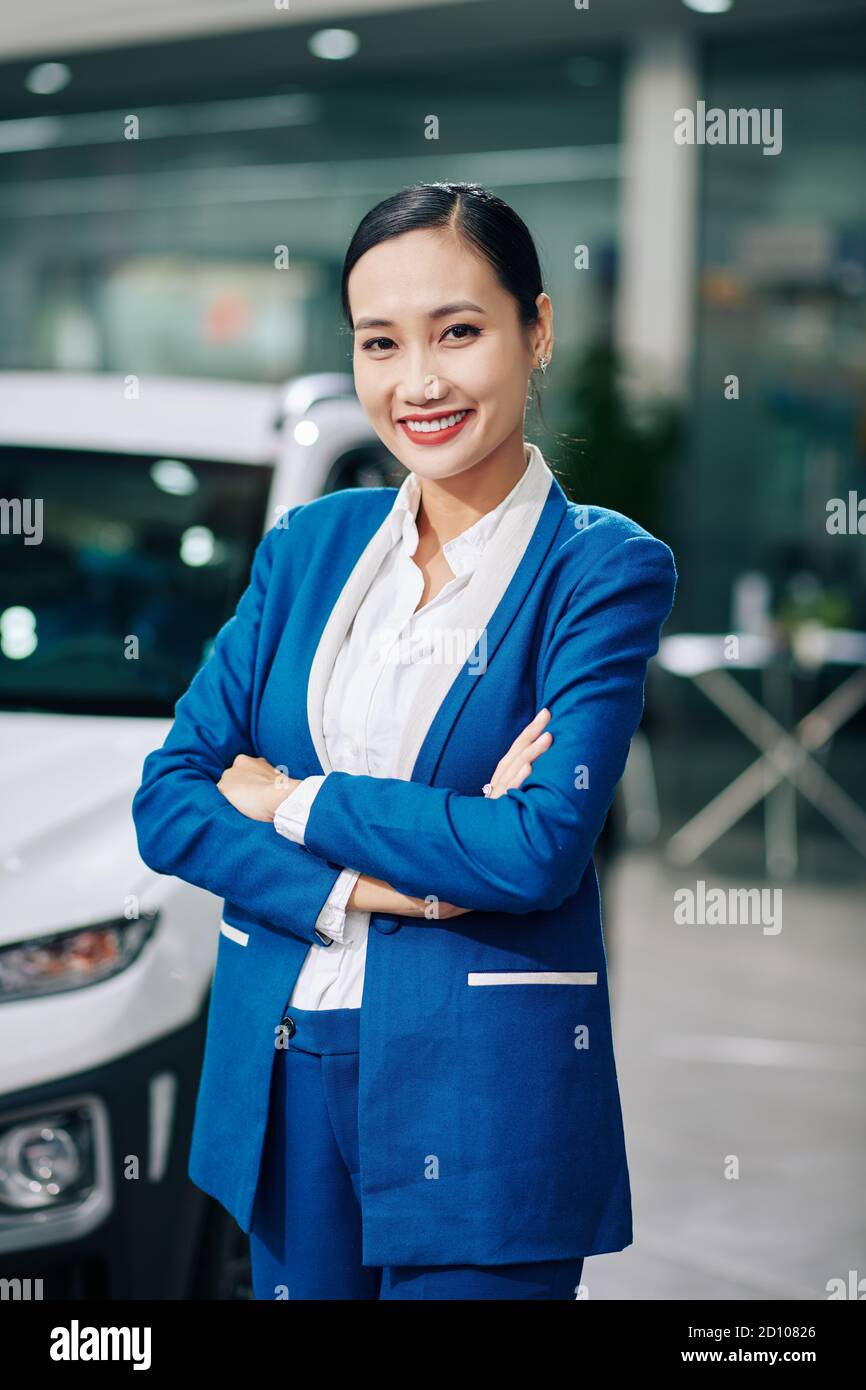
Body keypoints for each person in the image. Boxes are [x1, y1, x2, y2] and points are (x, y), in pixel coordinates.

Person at [132, 181, 678, 1300]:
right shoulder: (308, 548)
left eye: (458, 332)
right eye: (379, 342)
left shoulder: (600, 568)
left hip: (483, 1091)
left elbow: (534, 849)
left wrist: (293, 800)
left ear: (535, 332)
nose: (417, 381)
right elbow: (171, 799)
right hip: (284, 1073)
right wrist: (373, 888)